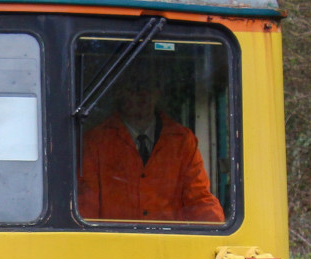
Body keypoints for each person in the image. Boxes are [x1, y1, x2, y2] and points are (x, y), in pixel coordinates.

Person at [76, 59, 223, 223]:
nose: (142, 94)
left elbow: (199, 199)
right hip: (115, 238)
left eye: (148, 86)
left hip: (168, 239)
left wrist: (220, 231)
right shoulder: (95, 142)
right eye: (133, 87)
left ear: (158, 92)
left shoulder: (182, 141)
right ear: (119, 92)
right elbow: (86, 204)